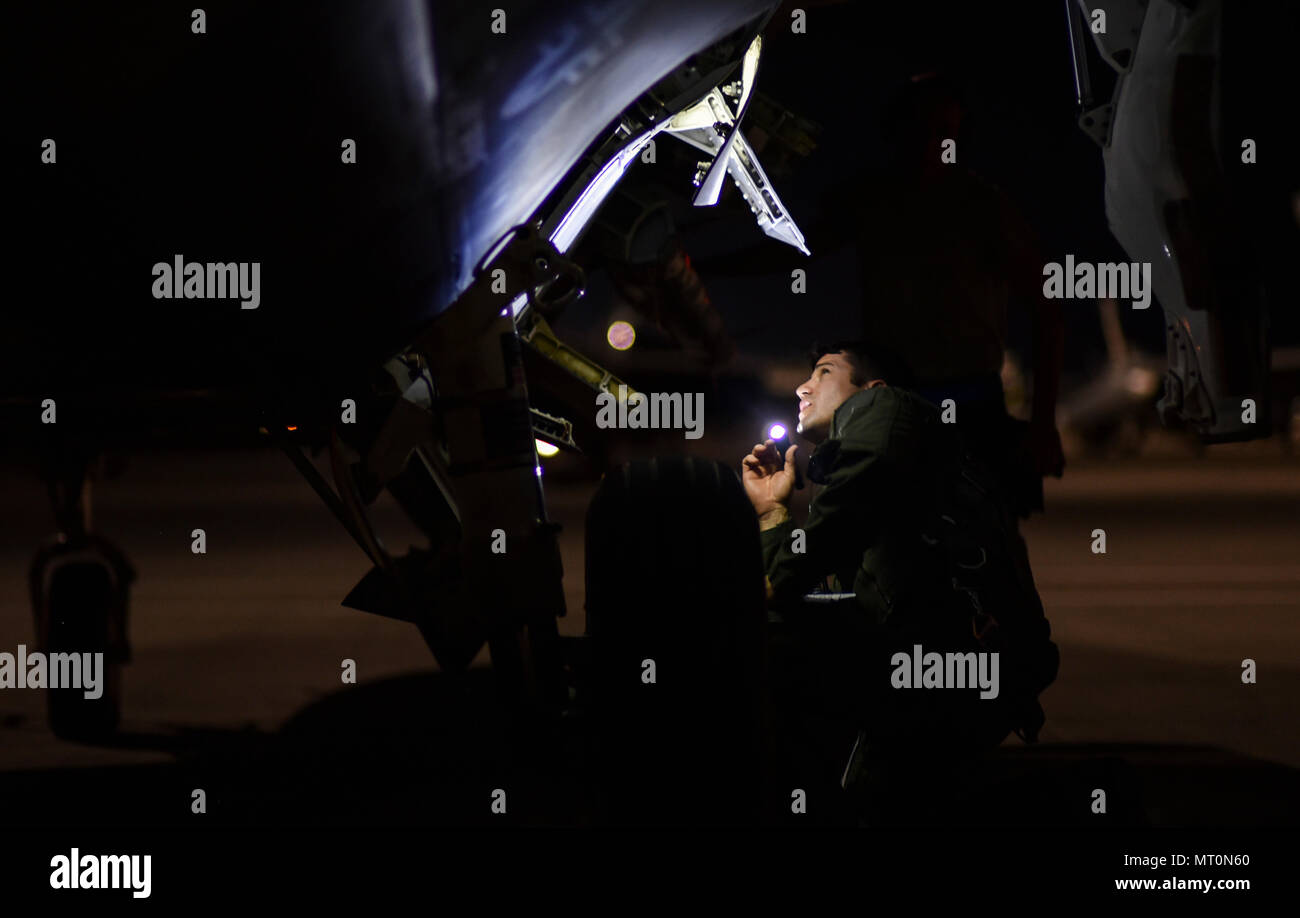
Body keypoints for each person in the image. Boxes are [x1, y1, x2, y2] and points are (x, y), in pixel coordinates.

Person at [742, 341, 1058, 823]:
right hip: (948, 661)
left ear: (872, 387)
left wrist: (773, 582)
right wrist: (773, 513)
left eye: (824, 373)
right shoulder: (870, 467)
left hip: (942, 656)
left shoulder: (886, 409)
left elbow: (851, 502)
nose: (802, 386)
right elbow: (816, 573)